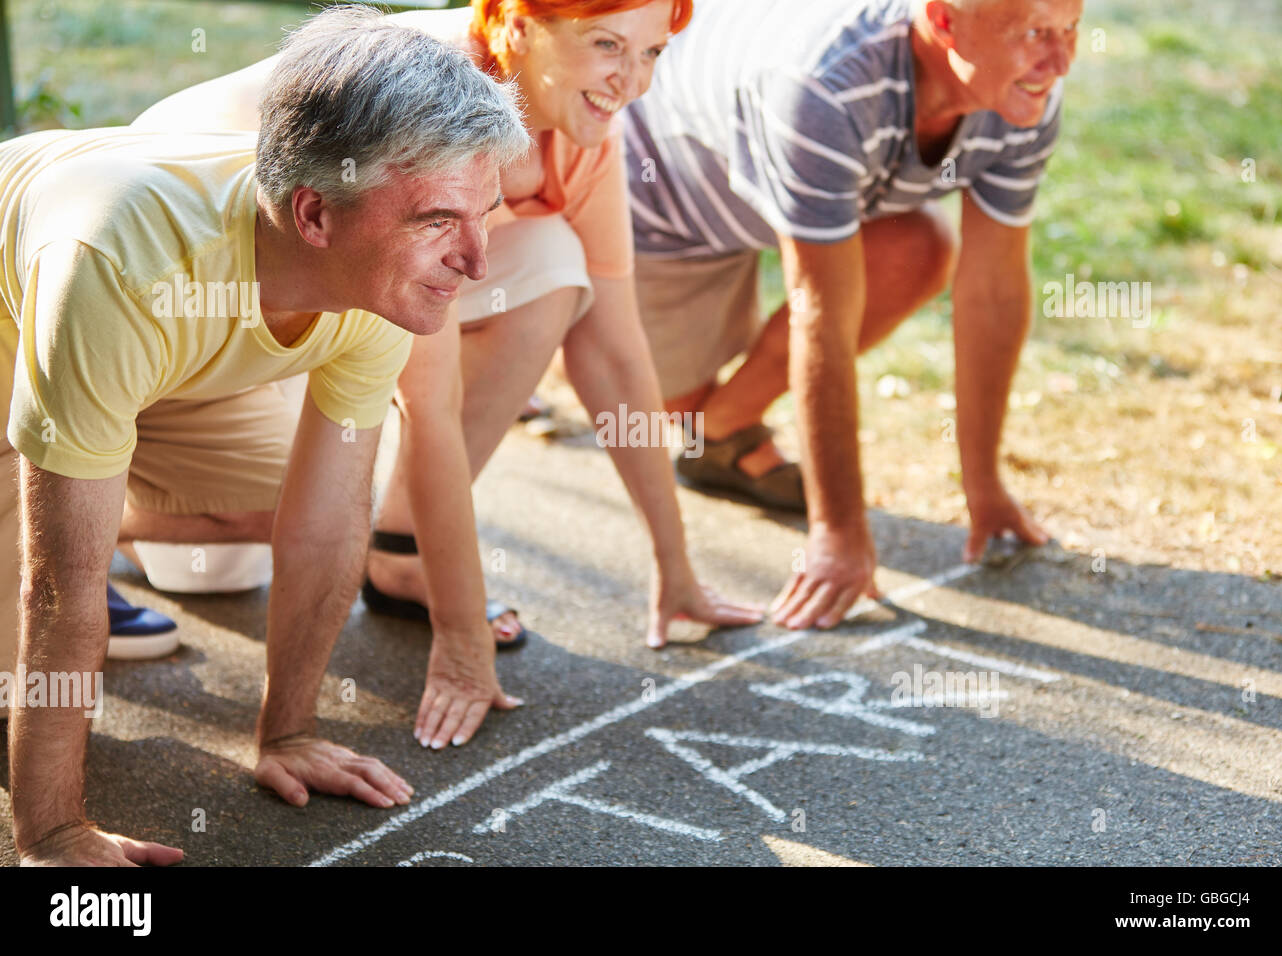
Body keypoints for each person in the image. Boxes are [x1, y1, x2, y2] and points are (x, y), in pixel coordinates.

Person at [133, 0, 764, 754]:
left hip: (313, 293)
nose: (634, 81)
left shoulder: (581, 130)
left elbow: (616, 347)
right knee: (282, 527)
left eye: (653, 53)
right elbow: (426, 403)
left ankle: (399, 549)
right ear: (523, 25)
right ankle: (67, 507)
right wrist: (462, 644)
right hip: (179, 295)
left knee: (556, 262)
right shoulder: (432, 107)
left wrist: (676, 567)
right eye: (607, 45)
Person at [2, 7, 531, 865]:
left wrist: (289, 732)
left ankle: (91, 494)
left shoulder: (374, 277)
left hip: (147, 368)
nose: (476, 260)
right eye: (437, 221)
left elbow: (325, 524)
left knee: (317, 501)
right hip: (38, 347)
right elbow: (61, 585)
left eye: (485, 215)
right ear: (315, 215)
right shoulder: (118, 260)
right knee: (41, 600)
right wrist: (53, 834)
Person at [623, 0, 1078, 628]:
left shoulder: (1022, 92)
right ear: (943, 21)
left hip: (780, 200)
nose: (1060, 61)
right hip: (659, 208)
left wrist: (986, 488)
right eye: (1034, 33)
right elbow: (821, 314)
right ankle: (681, 408)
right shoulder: (824, 86)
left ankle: (722, 433)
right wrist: (836, 532)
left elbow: (992, 293)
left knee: (921, 249)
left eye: (1071, 28)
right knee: (652, 414)